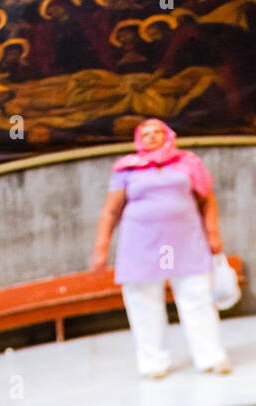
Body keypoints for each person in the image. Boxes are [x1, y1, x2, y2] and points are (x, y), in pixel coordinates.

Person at [90, 117, 230, 377]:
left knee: (197, 297)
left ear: (168, 135)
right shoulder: (126, 169)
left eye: (157, 132)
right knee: (143, 301)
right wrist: (101, 247)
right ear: (138, 139)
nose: (152, 137)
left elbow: (208, 199)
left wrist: (213, 232)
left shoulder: (189, 163)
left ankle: (211, 357)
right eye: (146, 134)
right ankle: (153, 363)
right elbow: (110, 211)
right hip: (141, 243)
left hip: (185, 241)